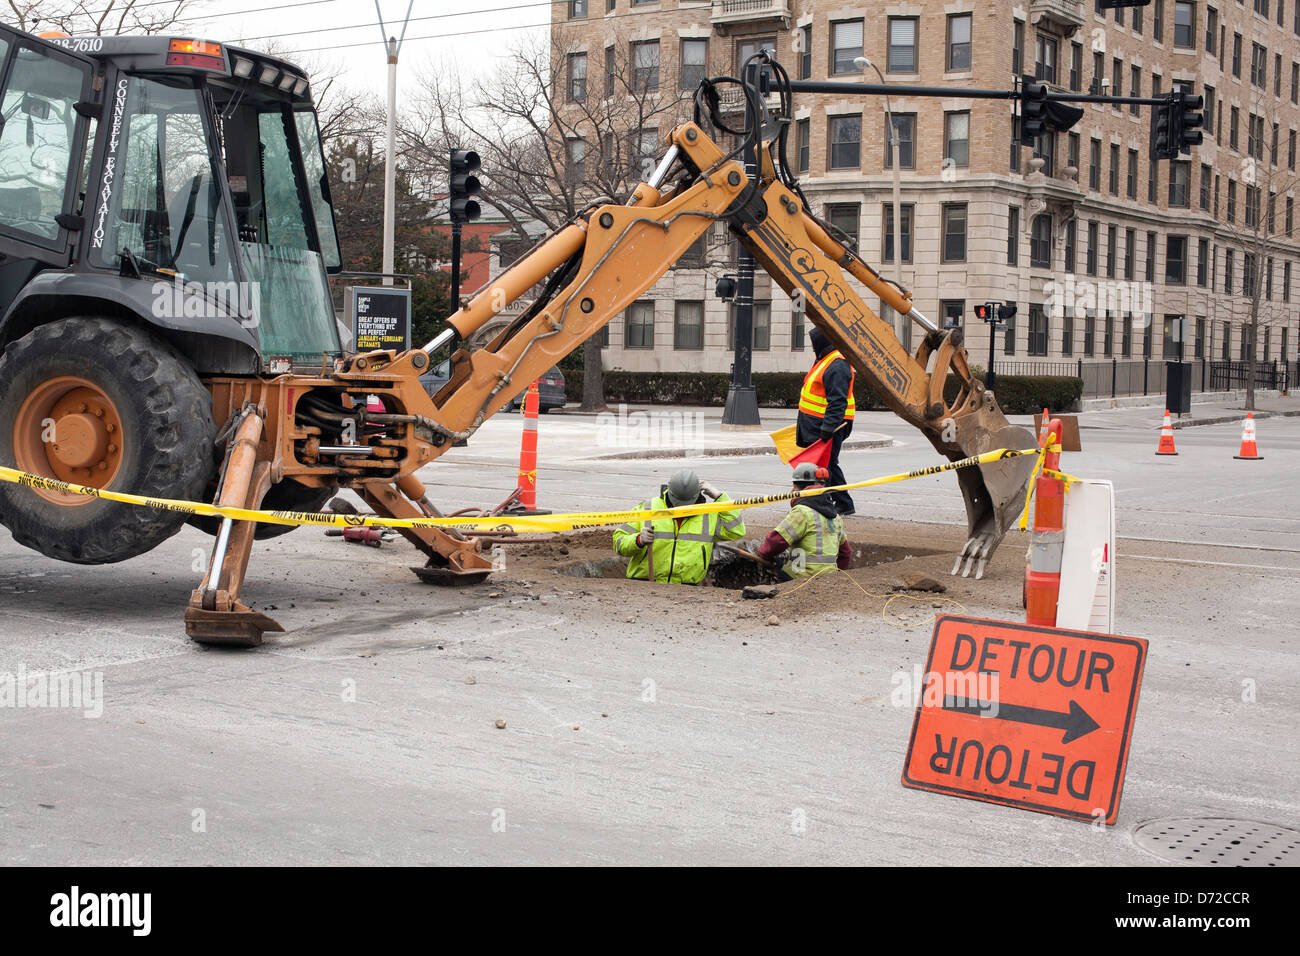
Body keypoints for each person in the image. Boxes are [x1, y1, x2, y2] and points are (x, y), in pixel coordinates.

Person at [612, 468, 746, 584]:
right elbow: (619, 543)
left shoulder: (708, 515)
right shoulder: (648, 508)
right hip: (644, 584)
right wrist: (638, 540)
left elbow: (736, 530)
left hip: (686, 589)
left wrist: (721, 498)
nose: (679, 508)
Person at [755, 463, 852, 580]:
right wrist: (836, 576)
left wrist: (763, 553)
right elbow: (845, 552)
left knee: (781, 570)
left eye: (794, 487)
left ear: (798, 489)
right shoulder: (836, 517)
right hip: (829, 578)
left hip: (802, 577)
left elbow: (777, 541)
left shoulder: (802, 512)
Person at [797, 327, 855, 515]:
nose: (812, 347)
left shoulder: (836, 364)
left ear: (822, 342)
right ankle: (843, 503)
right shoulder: (826, 359)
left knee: (826, 466)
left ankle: (828, 505)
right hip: (820, 424)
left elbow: (837, 400)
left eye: (814, 343)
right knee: (828, 465)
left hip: (829, 425)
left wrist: (828, 427)